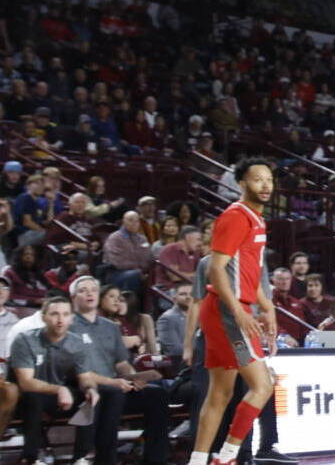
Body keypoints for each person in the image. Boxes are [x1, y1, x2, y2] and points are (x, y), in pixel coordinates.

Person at [189, 160, 279, 465]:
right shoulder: (236, 216)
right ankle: (226, 458)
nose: (265, 185)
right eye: (257, 180)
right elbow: (216, 269)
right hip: (228, 310)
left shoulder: (257, 219)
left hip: (229, 307)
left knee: (219, 394)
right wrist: (239, 313)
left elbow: (247, 277)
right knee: (263, 385)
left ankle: (198, 461)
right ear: (241, 183)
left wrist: (268, 308)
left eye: (269, 180)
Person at [66, 275, 172, 465]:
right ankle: (103, 458)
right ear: (73, 297)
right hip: (83, 387)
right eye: (83, 290)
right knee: (111, 392)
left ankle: (155, 459)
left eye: (93, 290)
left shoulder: (110, 327)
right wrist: (116, 382)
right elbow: (75, 369)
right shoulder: (68, 325)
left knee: (157, 394)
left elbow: (121, 363)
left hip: (116, 385)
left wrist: (133, 377)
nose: (89, 293)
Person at [11, 296, 87, 465]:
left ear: (71, 318)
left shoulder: (77, 342)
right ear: (43, 317)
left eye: (65, 314)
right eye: (54, 314)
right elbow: (25, 382)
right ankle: (31, 458)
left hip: (62, 397)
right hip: (28, 396)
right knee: (33, 397)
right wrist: (60, 390)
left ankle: (80, 458)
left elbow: (84, 376)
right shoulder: (25, 340)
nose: (60, 320)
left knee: (90, 397)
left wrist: (91, 388)